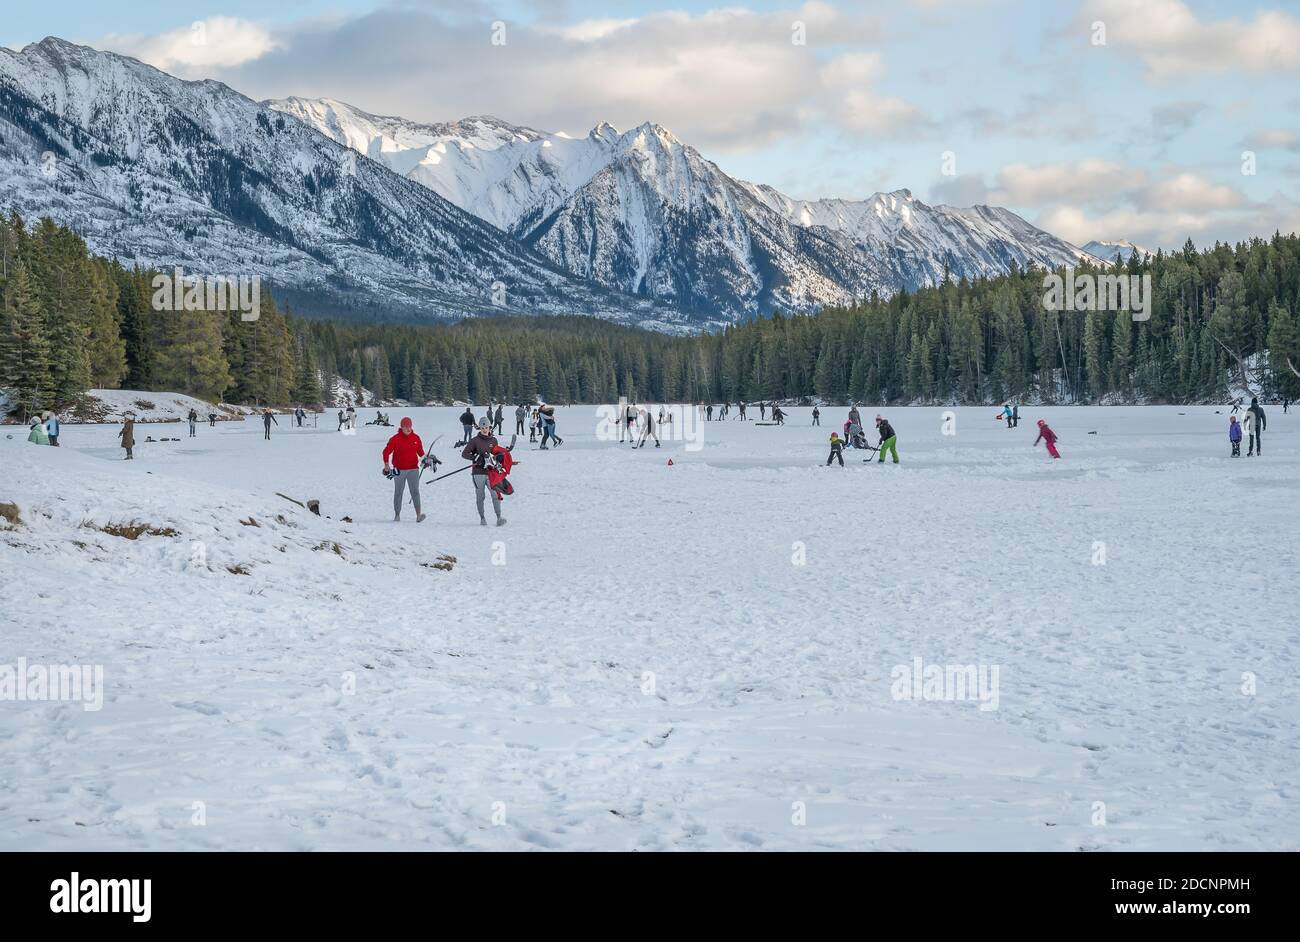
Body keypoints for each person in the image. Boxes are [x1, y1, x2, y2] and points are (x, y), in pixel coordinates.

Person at [382, 417, 427, 523]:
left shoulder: (416, 438)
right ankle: (397, 515)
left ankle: (418, 515)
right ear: (401, 427)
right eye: (405, 426)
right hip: (398, 470)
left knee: (415, 491)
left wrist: (426, 459)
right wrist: (386, 465)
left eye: (409, 426)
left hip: (413, 469)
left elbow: (421, 453)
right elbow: (386, 452)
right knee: (398, 492)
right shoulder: (395, 439)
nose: (408, 428)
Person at [462, 420, 506, 526]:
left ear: (489, 427)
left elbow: (496, 455)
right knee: (480, 496)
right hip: (478, 473)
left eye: (486, 427)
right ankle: (482, 518)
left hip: (491, 473)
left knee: (495, 494)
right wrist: (476, 457)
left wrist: (499, 458)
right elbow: (464, 454)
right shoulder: (474, 441)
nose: (484, 430)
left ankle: (499, 517)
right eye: (482, 428)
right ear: (480, 428)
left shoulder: (494, 440)